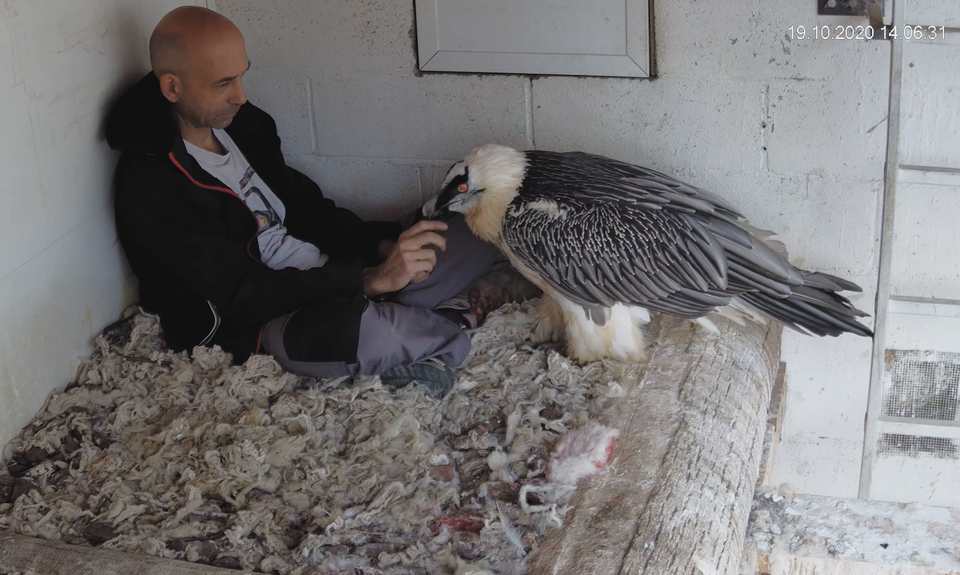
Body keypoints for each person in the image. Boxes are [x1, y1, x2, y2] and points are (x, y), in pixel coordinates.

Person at [105, 6, 503, 398]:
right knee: (365, 333)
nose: (240, 96)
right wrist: (370, 281)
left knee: (478, 221)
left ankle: (413, 314)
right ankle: (430, 322)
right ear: (172, 88)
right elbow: (243, 294)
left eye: (242, 75)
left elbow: (310, 211)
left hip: (334, 276)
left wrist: (385, 249)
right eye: (223, 83)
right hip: (267, 320)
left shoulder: (240, 125)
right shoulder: (151, 184)